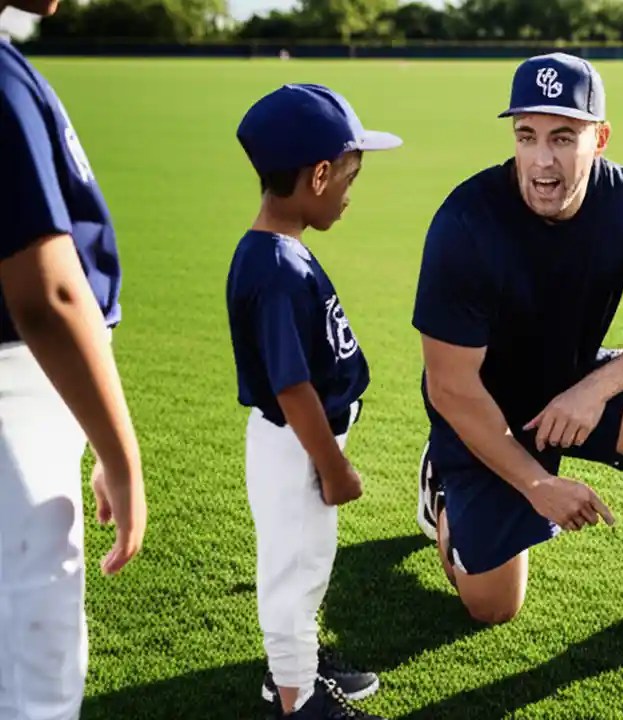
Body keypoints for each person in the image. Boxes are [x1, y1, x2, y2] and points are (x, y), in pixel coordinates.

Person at [412, 52, 623, 634]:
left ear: (601, 138)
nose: (543, 160)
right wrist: (538, 483)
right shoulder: (466, 222)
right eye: (527, 136)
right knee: (494, 608)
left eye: (564, 137)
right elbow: (450, 384)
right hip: (485, 406)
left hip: (572, 384)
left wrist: (594, 390)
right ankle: (443, 489)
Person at [228, 83, 401, 720]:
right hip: (300, 445)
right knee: (292, 574)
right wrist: (333, 466)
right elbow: (291, 387)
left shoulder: (280, 253)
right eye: (350, 176)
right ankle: (298, 701)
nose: (352, 191)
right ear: (319, 175)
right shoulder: (276, 269)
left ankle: (292, 669)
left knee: (308, 567)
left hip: (303, 441)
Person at [1, 5, 147, 717]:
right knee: (34, 677)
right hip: (14, 396)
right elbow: (50, 295)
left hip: (25, 386)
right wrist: (121, 456)